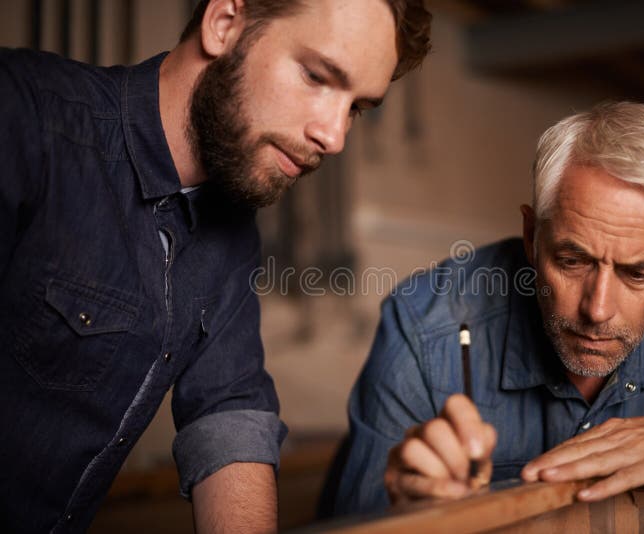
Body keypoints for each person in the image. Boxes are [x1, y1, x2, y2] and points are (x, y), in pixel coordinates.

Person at [0, 0, 430, 532]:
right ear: (224, 24)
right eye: (317, 76)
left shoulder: (230, 226)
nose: (334, 136)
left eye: (358, 107)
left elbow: (229, 410)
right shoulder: (22, 117)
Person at [329, 101, 644, 514]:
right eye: (572, 261)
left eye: (638, 274)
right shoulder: (426, 325)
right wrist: (411, 517)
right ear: (533, 237)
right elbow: (354, 522)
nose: (597, 310)